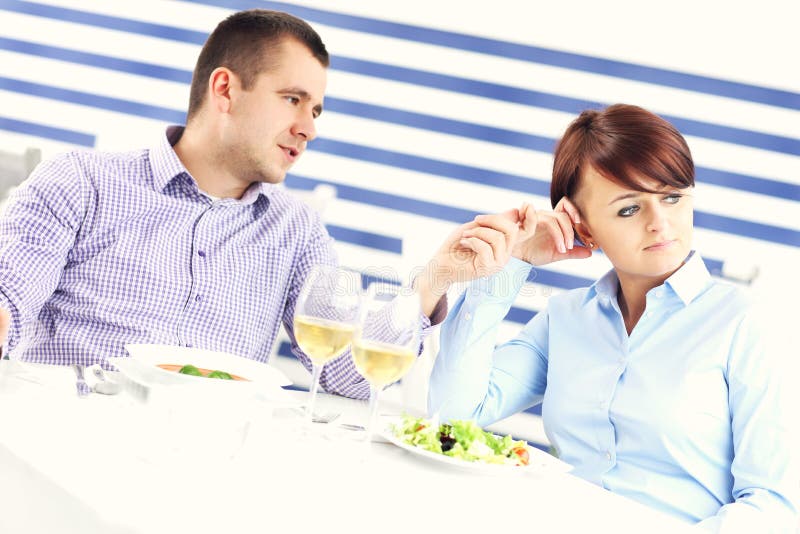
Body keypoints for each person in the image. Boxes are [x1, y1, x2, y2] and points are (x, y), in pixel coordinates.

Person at [0, 9, 455, 399]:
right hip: (71, 440)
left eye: (315, 110)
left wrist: (436, 279)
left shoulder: (297, 230)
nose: (308, 128)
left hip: (214, 457)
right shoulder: (81, 181)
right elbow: (8, 304)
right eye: (292, 99)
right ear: (225, 90)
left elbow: (343, 372)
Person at [427, 104, 798, 531]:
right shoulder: (565, 320)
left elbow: (772, 506)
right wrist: (509, 264)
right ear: (583, 228)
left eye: (673, 197)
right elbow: (452, 420)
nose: (661, 223)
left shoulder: (747, 325)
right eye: (629, 209)